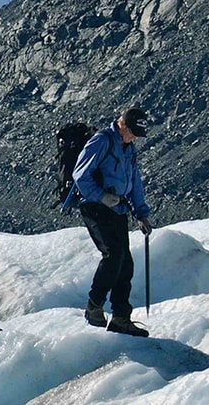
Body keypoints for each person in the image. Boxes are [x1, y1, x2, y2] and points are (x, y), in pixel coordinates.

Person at [73, 107, 155, 337]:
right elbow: (80, 175)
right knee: (114, 254)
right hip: (95, 206)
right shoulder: (102, 142)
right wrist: (100, 196)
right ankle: (94, 305)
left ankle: (121, 318)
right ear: (123, 124)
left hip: (117, 207)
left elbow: (134, 181)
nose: (135, 137)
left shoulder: (129, 148)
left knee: (125, 262)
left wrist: (141, 213)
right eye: (133, 132)